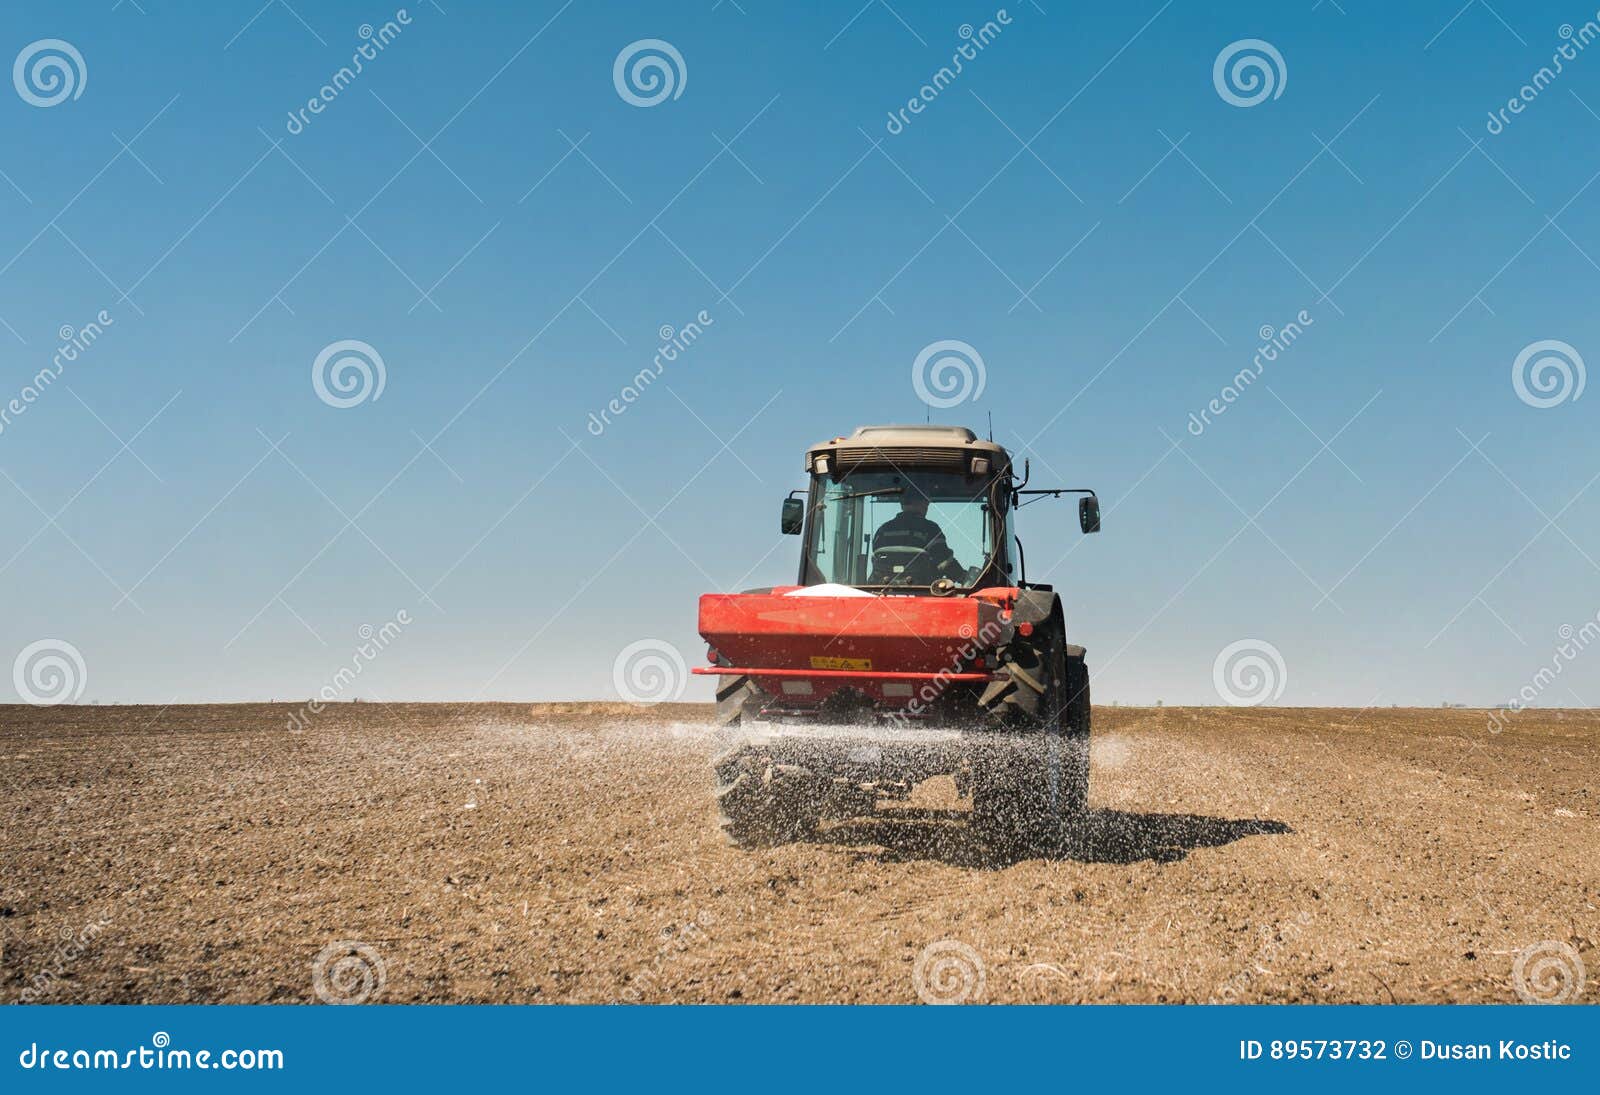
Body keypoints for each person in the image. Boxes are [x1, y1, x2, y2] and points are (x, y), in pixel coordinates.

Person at [871, 494, 966, 583]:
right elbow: (944, 561)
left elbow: (878, 560)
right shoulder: (930, 528)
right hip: (924, 591)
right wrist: (963, 577)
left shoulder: (883, 530)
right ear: (922, 504)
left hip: (885, 589)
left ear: (902, 505)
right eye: (926, 502)